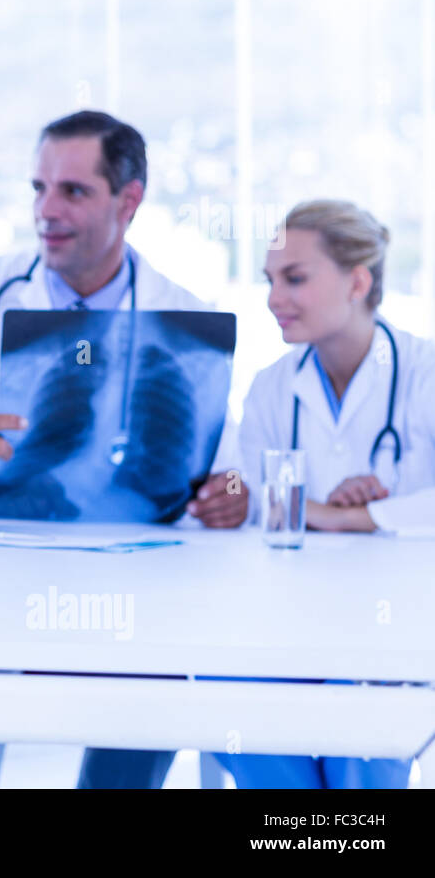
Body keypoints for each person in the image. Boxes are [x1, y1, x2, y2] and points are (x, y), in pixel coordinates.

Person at [0, 110, 247, 789]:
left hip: (138, 578)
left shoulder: (184, 317)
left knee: (148, 710)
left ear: (129, 201)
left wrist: (229, 496)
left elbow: (224, 472)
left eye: (73, 192)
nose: (45, 211)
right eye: (38, 188)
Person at [219, 199, 433, 789]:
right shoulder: (271, 388)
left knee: (362, 715)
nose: (272, 297)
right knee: (234, 699)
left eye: (294, 277)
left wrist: (354, 517)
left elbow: (288, 508)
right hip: (286, 621)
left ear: (358, 281)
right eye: (270, 280)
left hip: (402, 625)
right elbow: (246, 500)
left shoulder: (424, 372)